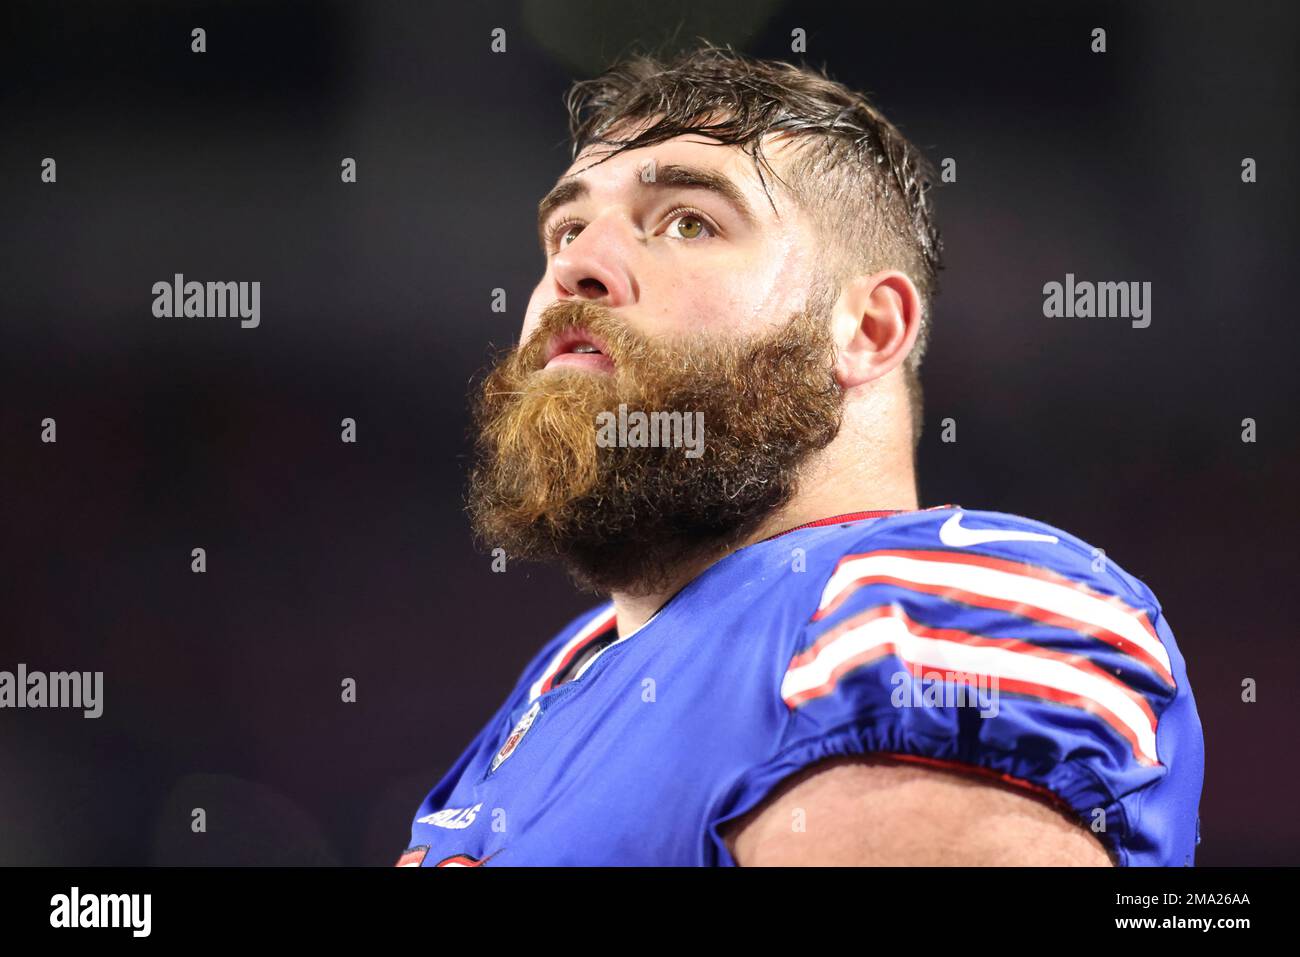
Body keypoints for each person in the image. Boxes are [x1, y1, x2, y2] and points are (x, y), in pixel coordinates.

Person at [398, 43, 1204, 867]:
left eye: (687, 221)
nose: (575, 265)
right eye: (567, 229)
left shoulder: (919, 610)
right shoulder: (555, 683)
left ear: (866, 329)